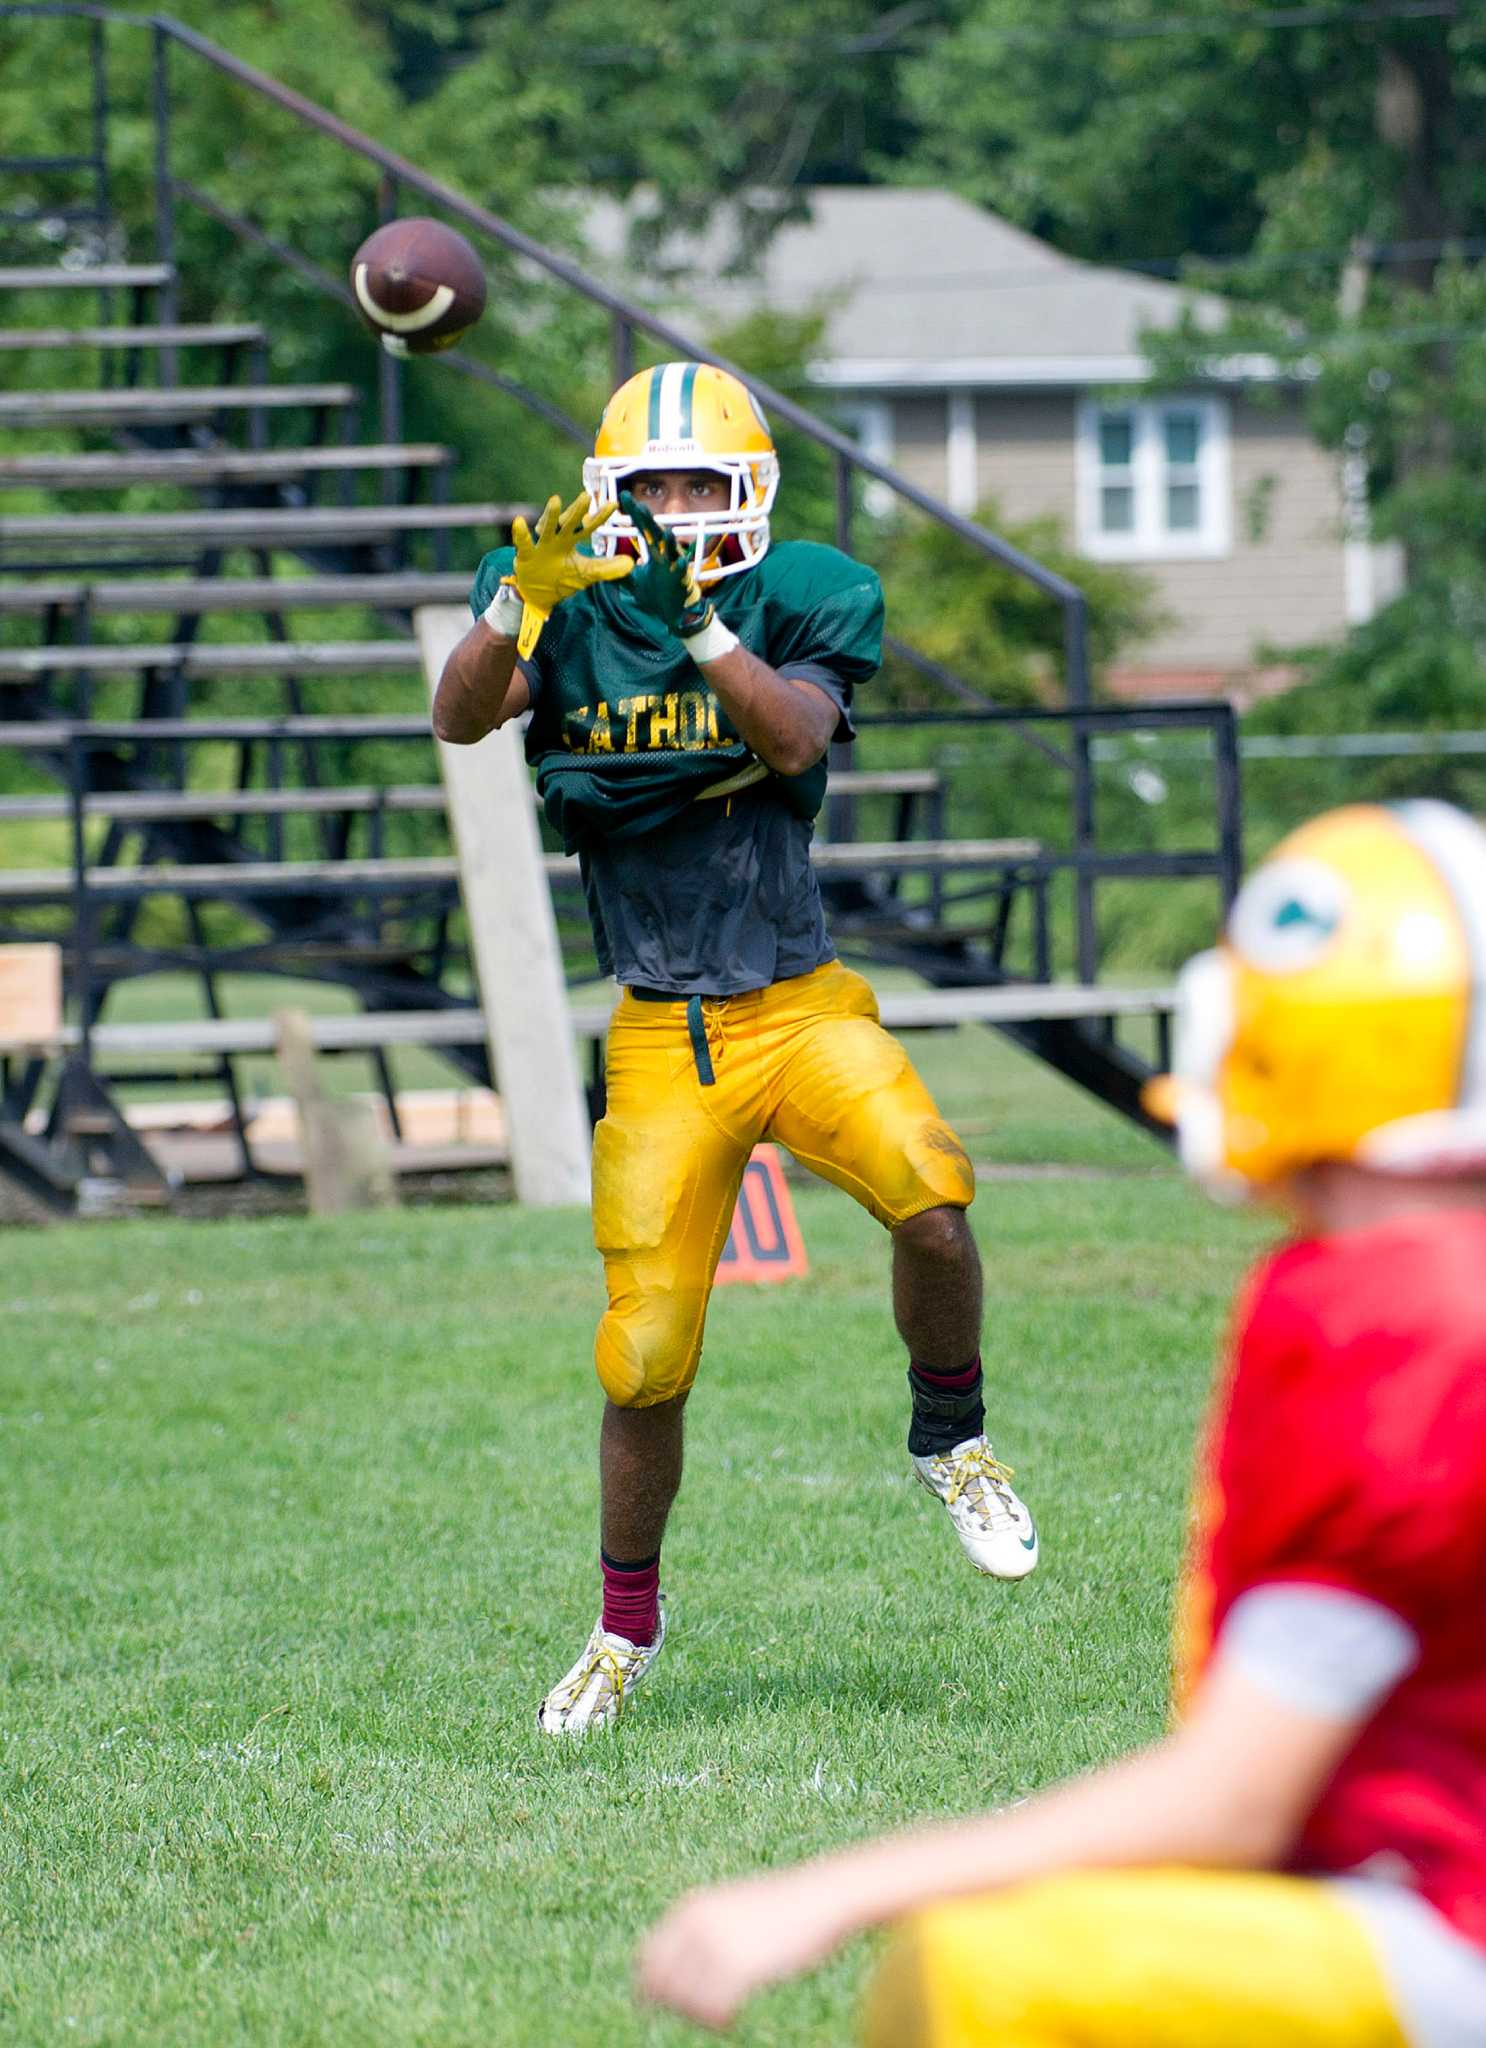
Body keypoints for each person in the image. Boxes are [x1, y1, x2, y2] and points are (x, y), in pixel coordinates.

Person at [637, 798, 1486, 2047]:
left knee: (994, 1974)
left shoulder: (1393, 1316)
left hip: (1446, 1926)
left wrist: (828, 1889)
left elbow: (1235, 1798)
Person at [431, 359, 1038, 1736]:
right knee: (642, 1360)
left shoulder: (803, 593)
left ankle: (952, 1440)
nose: (675, 507)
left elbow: (787, 734)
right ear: (608, 498)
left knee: (931, 1200)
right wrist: (520, 601)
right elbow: (461, 716)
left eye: (701, 483)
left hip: (797, 1001)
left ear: (749, 495)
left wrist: (699, 624)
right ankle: (621, 1630)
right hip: (660, 1030)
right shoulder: (563, 596)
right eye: (651, 487)